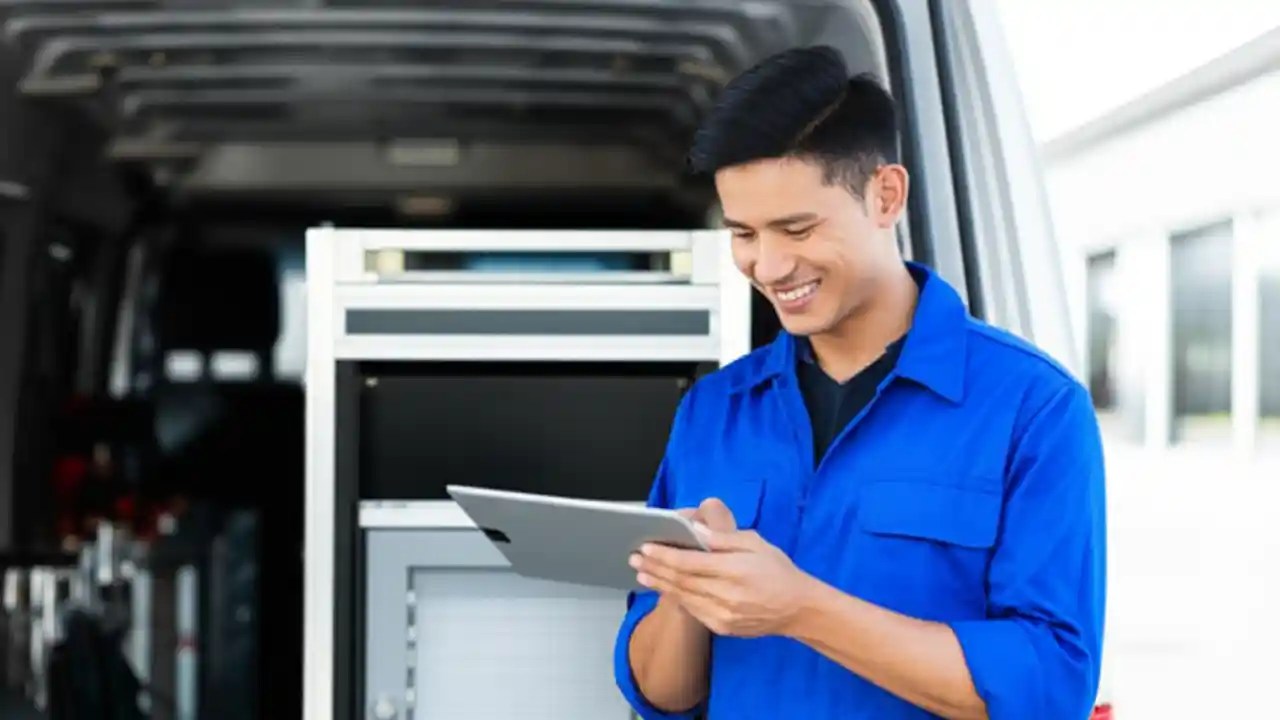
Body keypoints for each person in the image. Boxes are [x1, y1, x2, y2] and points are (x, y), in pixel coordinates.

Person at [614, 45, 1106, 720]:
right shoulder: (713, 411)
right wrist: (689, 590)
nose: (769, 264)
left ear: (886, 195)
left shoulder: (1034, 408)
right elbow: (660, 696)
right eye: (744, 233)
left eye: (797, 227)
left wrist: (801, 607)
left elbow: (1049, 690)